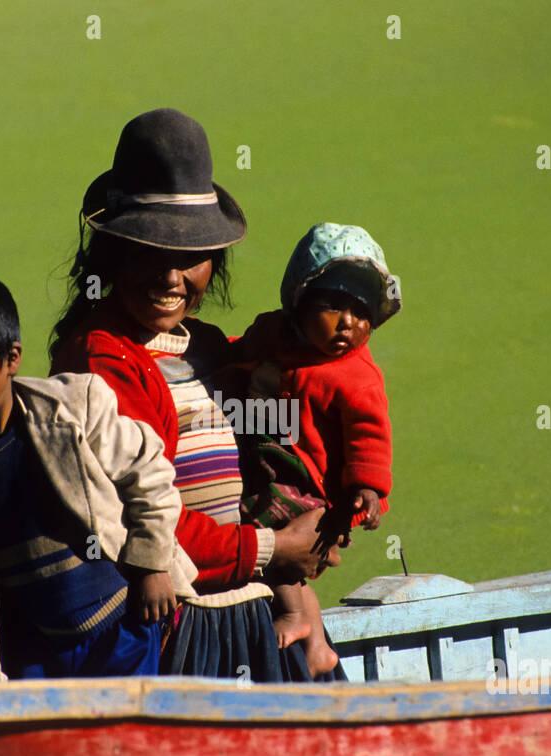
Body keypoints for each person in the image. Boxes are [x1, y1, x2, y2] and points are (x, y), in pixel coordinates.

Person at [49, 108, 344, 682]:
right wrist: (274, 549)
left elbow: (275, 446)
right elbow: (146, 515)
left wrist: (320, 518)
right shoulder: (98, 360)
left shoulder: (208, 347)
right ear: (110, 255)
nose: (170, 278)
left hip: (260, 610)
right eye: (149, 253)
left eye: (190, 258)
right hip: (186, 626)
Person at [0, 269, 197, 680]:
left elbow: (150, 476)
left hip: (122, 629)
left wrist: (151, 565)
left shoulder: (76, 405)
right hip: (31, 652)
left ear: (11, 359)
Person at [230, 222, 399, 677]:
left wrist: (368, 488)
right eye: (333, 306)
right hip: (273, 456)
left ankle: (293, 616)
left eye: (361, 312)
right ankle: (319, 645)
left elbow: (370, 436)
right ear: (300, 304)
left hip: (313, 483)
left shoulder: (356, 376)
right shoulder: (275, 334)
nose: (348, 323)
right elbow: (238, 354)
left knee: (270, 534)